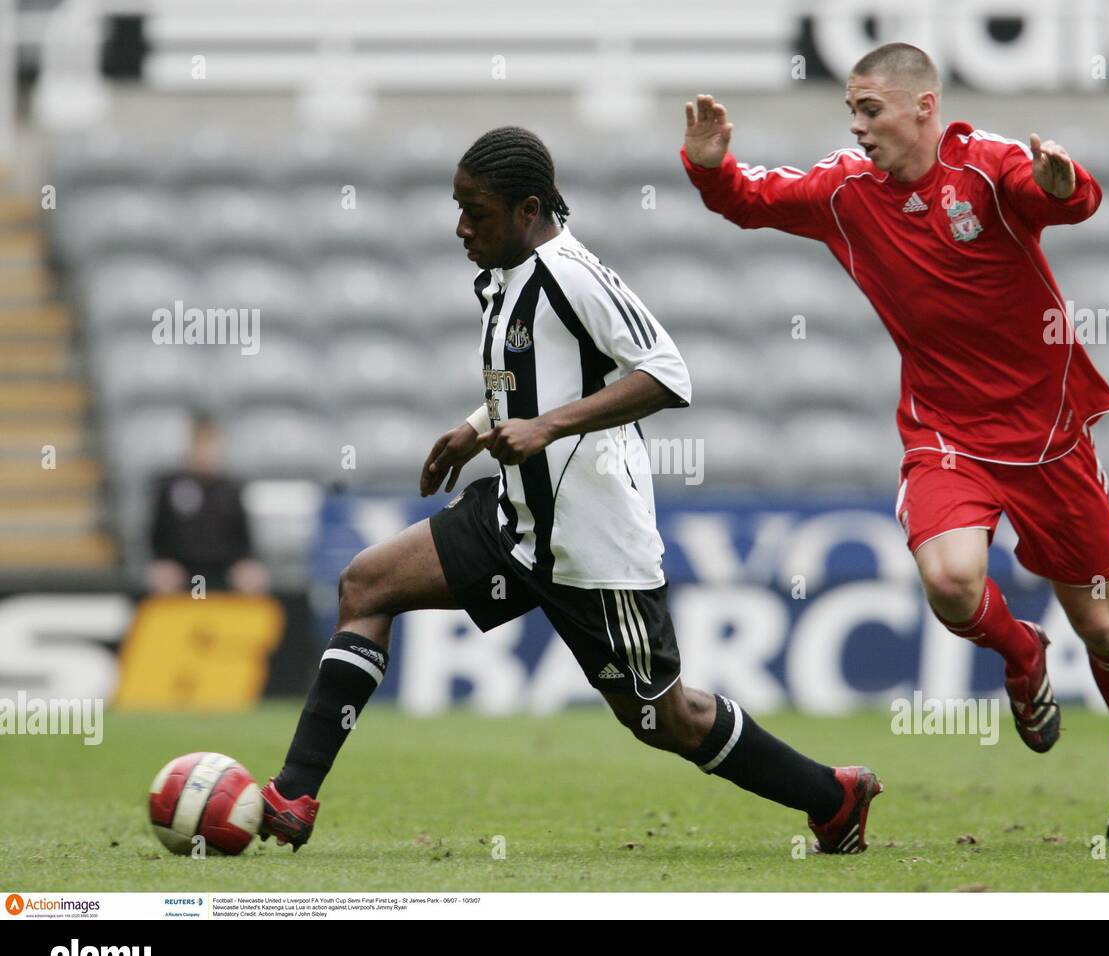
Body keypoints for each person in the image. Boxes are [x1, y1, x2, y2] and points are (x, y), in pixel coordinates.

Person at [259, 126, 882, 854]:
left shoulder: (570, 273)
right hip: (517, 518)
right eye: (457, 208)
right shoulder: (506, 270)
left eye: (476, 212)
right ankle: (293, 793)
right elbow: (539, 373)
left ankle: (832, 796)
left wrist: (548, 428)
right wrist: (474, 426)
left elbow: (668, 373)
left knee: (664, 718)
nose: (461, 227)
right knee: (366, 583)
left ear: (527, 210)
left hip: (591, 545)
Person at [681, 42, 1109, 844]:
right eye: (851, 113)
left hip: (1048, 436)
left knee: (1105, 627)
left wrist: (1064, 184)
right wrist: (709, 169)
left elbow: (1061, 200)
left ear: (923, 107)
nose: (858, 127)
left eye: (870, 110)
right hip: (946, 433)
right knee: (949, 578)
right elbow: (752, 200)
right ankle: (1020, 651)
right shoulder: (844, 190)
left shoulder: (989, 166)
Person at [147, 412, 269, 595]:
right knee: (164, 578)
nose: (204, 452)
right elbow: (156, 538)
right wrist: (163, 563)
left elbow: (245, 542)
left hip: (224, 569)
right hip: (183, 569)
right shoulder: (170, 487)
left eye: (209, 444)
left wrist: (245, 566)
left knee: (251, 577)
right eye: (199, 444)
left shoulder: (231, 489)